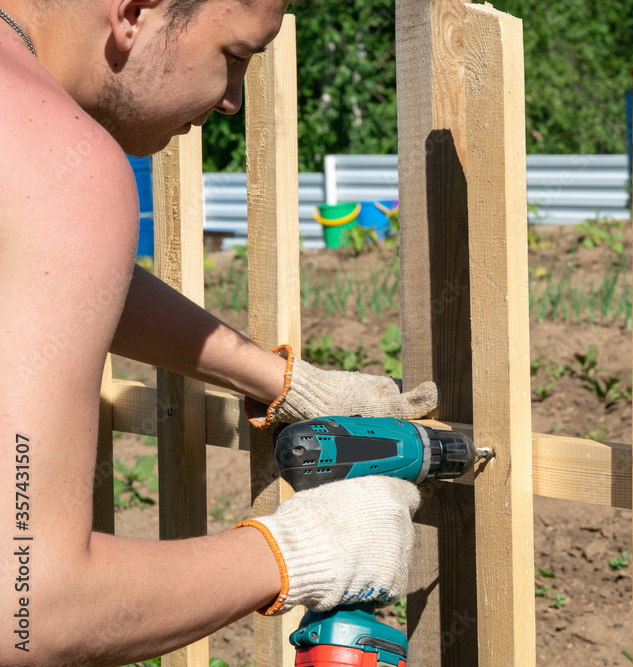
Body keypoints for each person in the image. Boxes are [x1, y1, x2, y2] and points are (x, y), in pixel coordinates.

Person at [0, 0, 438, 663]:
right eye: (234, 58)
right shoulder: (60, 162)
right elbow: (30, 609)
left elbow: (49, 270)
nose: (232, 100)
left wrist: (279, 379)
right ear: (136, 11)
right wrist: (301, 549)